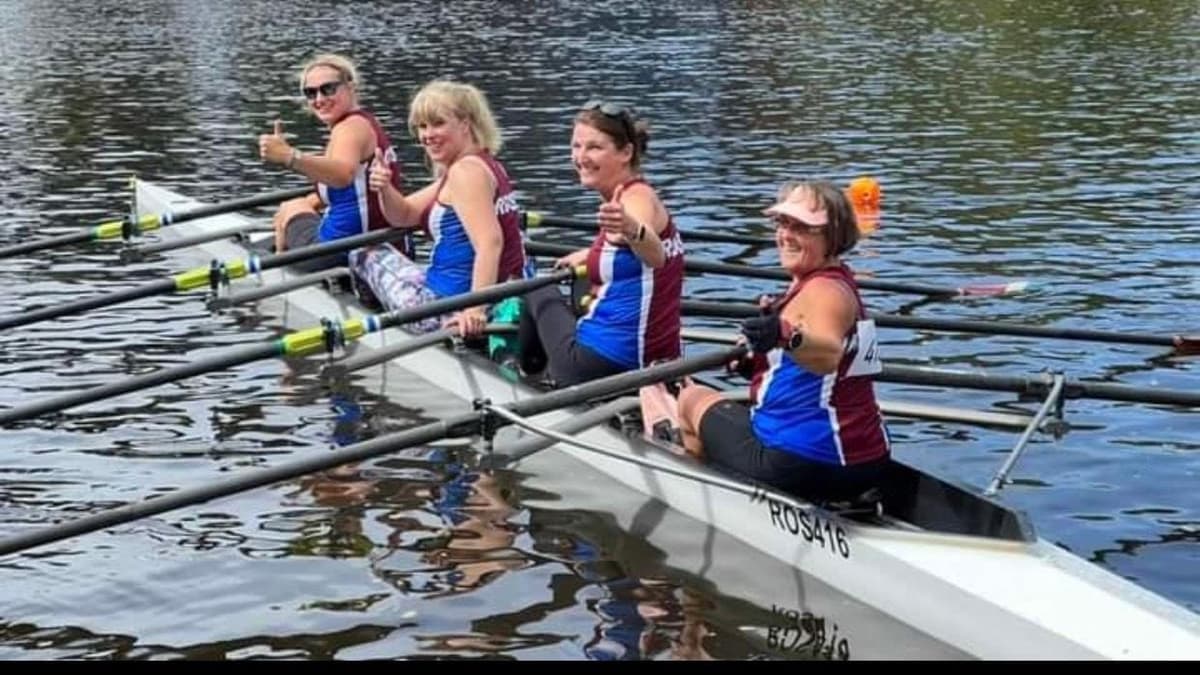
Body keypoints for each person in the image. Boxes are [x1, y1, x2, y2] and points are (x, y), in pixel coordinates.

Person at [673, 179, 891, 503]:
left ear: (832, 235)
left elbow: (828, 353)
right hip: (869, 459)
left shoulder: (824, 293)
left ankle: (702, 505)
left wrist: (784, 336)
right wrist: (758, 363)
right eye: (782, 222)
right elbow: (839, 369)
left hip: (806, 463)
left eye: (801, 227)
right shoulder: (842, 283)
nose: (786, 235)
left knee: (690, 398)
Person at [519, 100, 685, 386]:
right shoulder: (639, 195)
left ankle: (526, 377)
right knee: (583, 286)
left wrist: (632, 228)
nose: (581, 157)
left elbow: (655, 254)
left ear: (626, 152)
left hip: (604, 364)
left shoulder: (634, 202)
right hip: (663, 359)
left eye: (594, 147)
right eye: (576, 146)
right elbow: (637, 250)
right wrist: (590, 253)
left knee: (537, 288)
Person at [351, 79, 526, 338]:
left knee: (361, 252)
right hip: (501, 295)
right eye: (422, 126)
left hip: (444, 308)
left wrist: (475, 309)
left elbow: (490, 242)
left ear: (465, 125)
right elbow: (405, 215)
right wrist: (385, 188)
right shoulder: (485, 164)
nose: (427, 135)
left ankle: (375, 325)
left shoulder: (465, 173)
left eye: (438, 124)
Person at [257, 53, 408, 272]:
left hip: (341, 252)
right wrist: (310, 201)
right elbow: (353, 189)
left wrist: (289, 156)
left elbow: (342, 175)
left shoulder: (350, 128)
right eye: (310, 93)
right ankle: (282, 260)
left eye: (328, 89)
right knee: (299, 205)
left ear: (350, 87)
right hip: (386, 245)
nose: (319, 99)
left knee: (289, 207)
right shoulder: (363, 122)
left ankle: (280, 268)